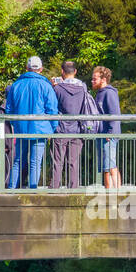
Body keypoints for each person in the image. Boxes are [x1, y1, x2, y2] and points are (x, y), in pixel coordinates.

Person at [3, 56, 58, 189]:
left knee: (17, 161)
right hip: (40, 129)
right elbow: (52, 110)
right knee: (35, 162)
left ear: (26, 68)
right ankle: (32, 192)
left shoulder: (16, 85)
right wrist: (52, 128)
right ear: (41, 69)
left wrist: (16, 124)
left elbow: (9, 109)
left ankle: (11, 191)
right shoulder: (46, 86)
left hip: (21, 129)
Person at [49, 60, 90, 189]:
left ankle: (54, 188)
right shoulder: (83, 88)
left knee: (57, 162)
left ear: (62, 72)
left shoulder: (58, 88)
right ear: (75, 71)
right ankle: (73, 188)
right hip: (77, 130)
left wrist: (53, 86)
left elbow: (52, 107)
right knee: (73, 162)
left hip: (61, 130)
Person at [92, 65, 122, 188]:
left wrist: (110, 133)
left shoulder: (109, 93)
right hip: (102, 134)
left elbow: (115, 114)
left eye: (95, 79)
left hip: (108, 135)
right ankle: (113, 191)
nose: (92, 81)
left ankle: (112, 194)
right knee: (108, 165)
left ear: (103, 79)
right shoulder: (99, 93)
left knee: (109, 166)